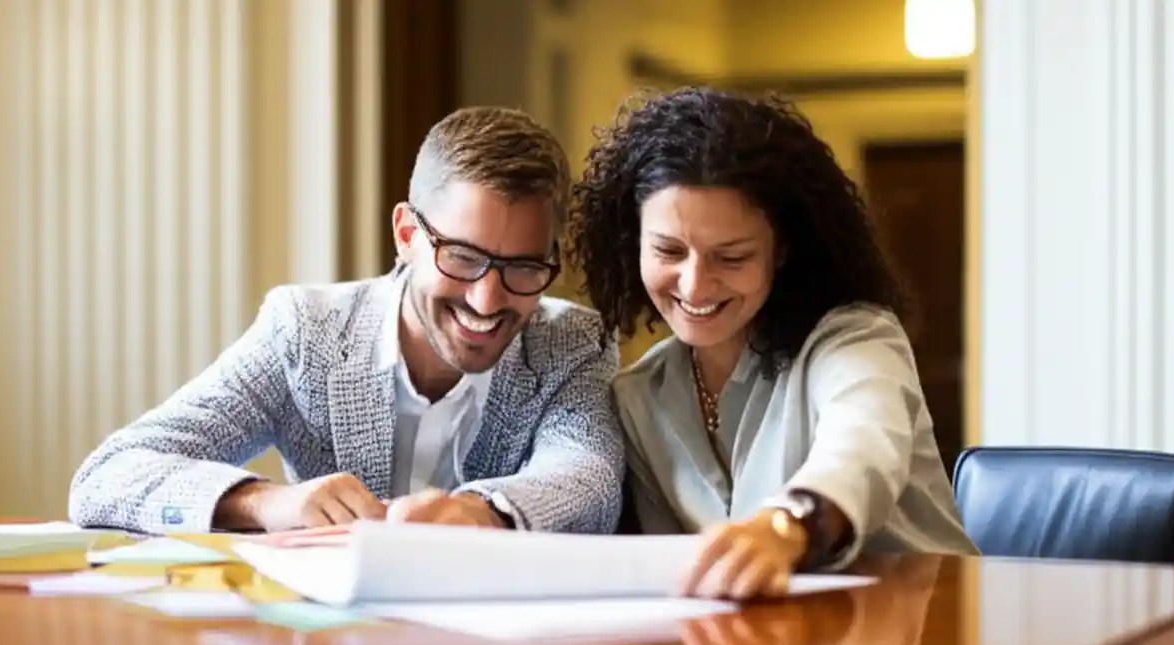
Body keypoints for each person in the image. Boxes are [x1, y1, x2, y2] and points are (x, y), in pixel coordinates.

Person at [70, 107, 623, 535]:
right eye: (461, 256)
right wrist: (266, 502)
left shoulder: (573, 344)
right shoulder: (305, 332)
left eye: (523, 268)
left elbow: (589, 481)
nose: (486, 299)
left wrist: (481, 514)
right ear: (407, 235)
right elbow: (108, 476)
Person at [566, 87, 977, 600]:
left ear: (782, 251)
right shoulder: (639, 395)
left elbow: (862, 448)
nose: (694, 286)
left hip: (926, 641)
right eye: (669, 250)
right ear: (632, 243)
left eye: (731, 257)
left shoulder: (856, 339)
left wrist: (788, 524)